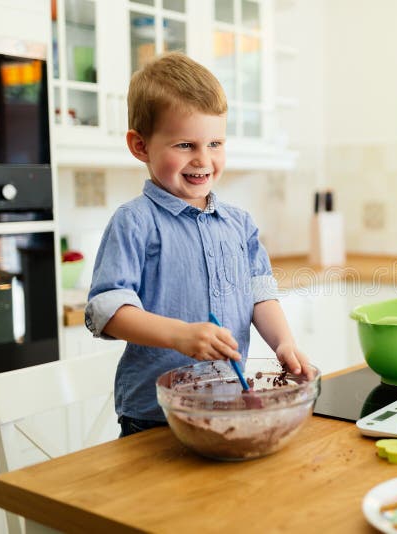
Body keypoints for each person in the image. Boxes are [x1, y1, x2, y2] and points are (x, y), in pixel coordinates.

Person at [85, 52, 312, 438]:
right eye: (185, 145)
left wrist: (283, 343)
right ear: (140, 146)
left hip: (228, 407)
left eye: (215, 143)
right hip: (154, 416)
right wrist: (180, 335)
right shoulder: (135, 222)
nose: (203, 160)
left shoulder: (239, 224)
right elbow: (107, 311)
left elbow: (261, 294)